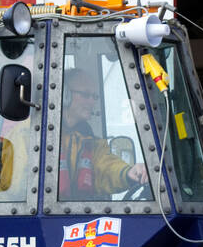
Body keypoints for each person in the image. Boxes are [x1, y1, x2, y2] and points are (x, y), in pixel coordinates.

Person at [59, 67, 148, 199]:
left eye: (94, 96)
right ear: (64, 94)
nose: (92, 101)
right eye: (85, 95)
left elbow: (106, 167)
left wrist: (128, 172)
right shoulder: (34, 137)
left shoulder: (91, 143)